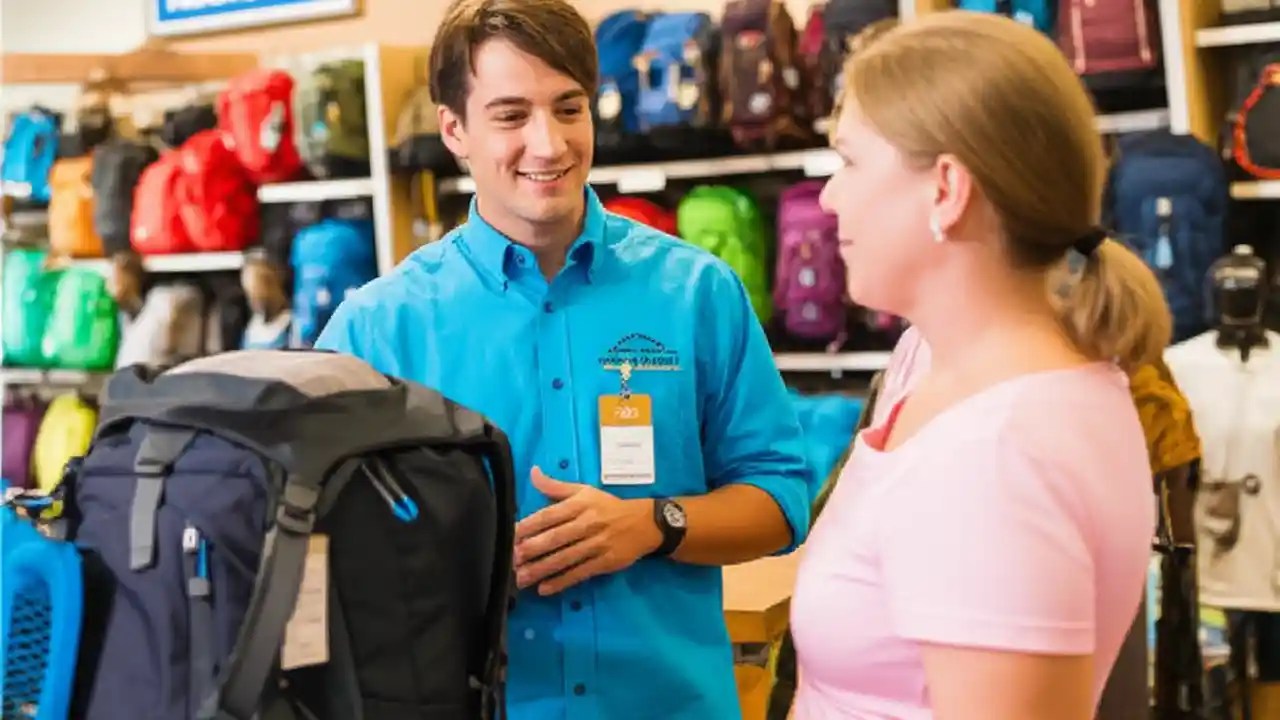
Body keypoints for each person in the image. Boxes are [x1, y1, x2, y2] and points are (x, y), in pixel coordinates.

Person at [313, 1, 812, 718]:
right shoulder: (380, 326)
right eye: (511, 116)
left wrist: (655, 525)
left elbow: (779, 499)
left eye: (568, 108)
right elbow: (322, 546)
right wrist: (461, 560)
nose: (548, 145)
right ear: (454, 129)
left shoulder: (697, 293)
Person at [789, 11, 1170, 720]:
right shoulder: (931, 363)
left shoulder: (994, 452)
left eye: (849, 161)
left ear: (946, 190)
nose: (830, 196)